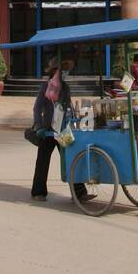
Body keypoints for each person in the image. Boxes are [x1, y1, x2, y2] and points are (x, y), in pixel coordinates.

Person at [31, 59, 89, 203]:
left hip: (63, 129)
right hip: (47, 130)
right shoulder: (46, 86)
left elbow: (68, 105)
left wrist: (74, 120)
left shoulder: (65, 87)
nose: (64, 72)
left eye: (65, 70)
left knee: (71, 158)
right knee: (43, 161)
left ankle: (79, 193)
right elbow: (37, 108)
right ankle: (38, 192)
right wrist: (38, 126)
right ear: (54, 71)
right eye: (61, 70)